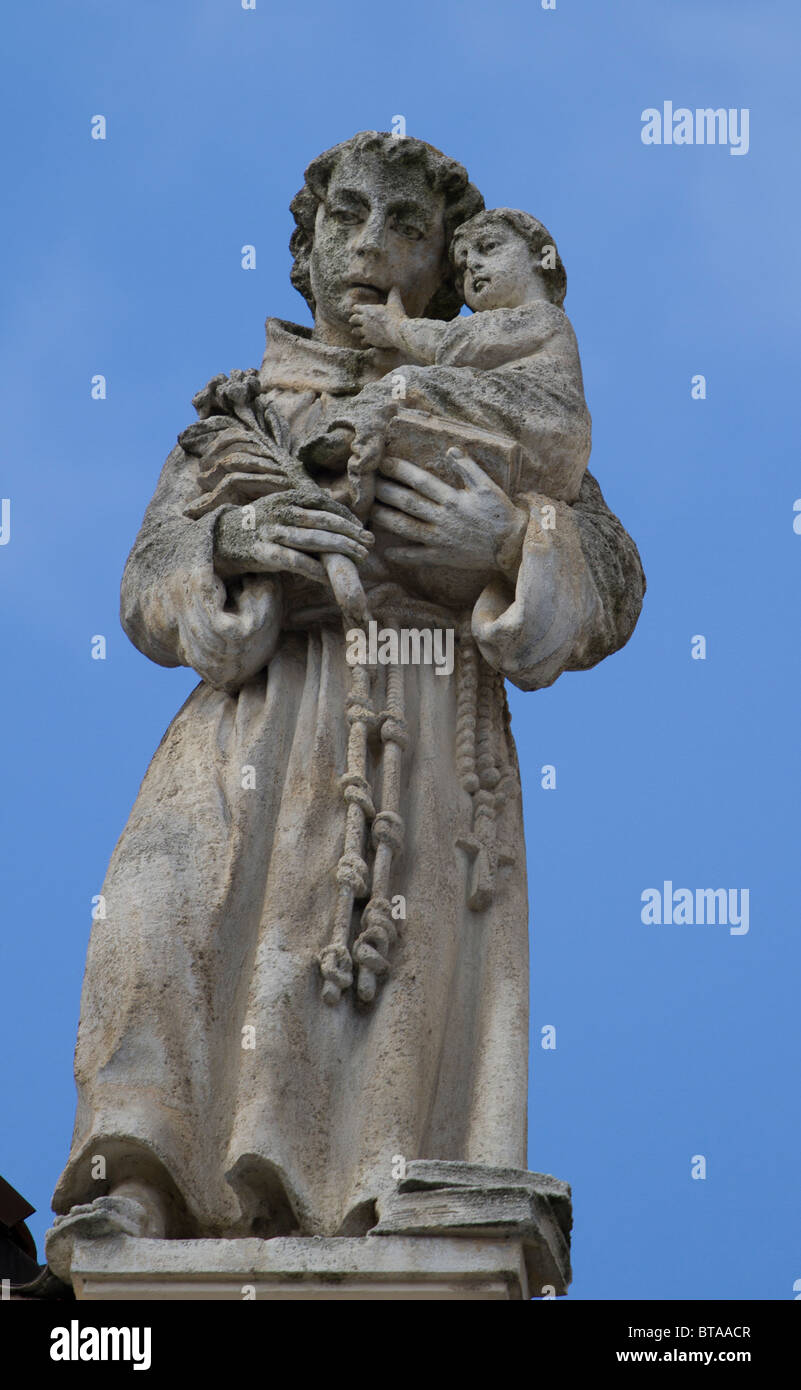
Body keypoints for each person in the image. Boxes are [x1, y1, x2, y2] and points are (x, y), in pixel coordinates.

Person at [46, 132, 645, 1280]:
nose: (372, 244)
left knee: (376, 995)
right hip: (244, 726)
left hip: (419, 737)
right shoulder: (239, 414)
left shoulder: (496, 405)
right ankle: (139, 1185)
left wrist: (509, 542)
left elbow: (611, 578)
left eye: (407, 227)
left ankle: (375, 1208)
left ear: (445, 270)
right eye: (348, 217)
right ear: (306, 247)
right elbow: (148, 579)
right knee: (165, 928)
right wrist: (232, 538)